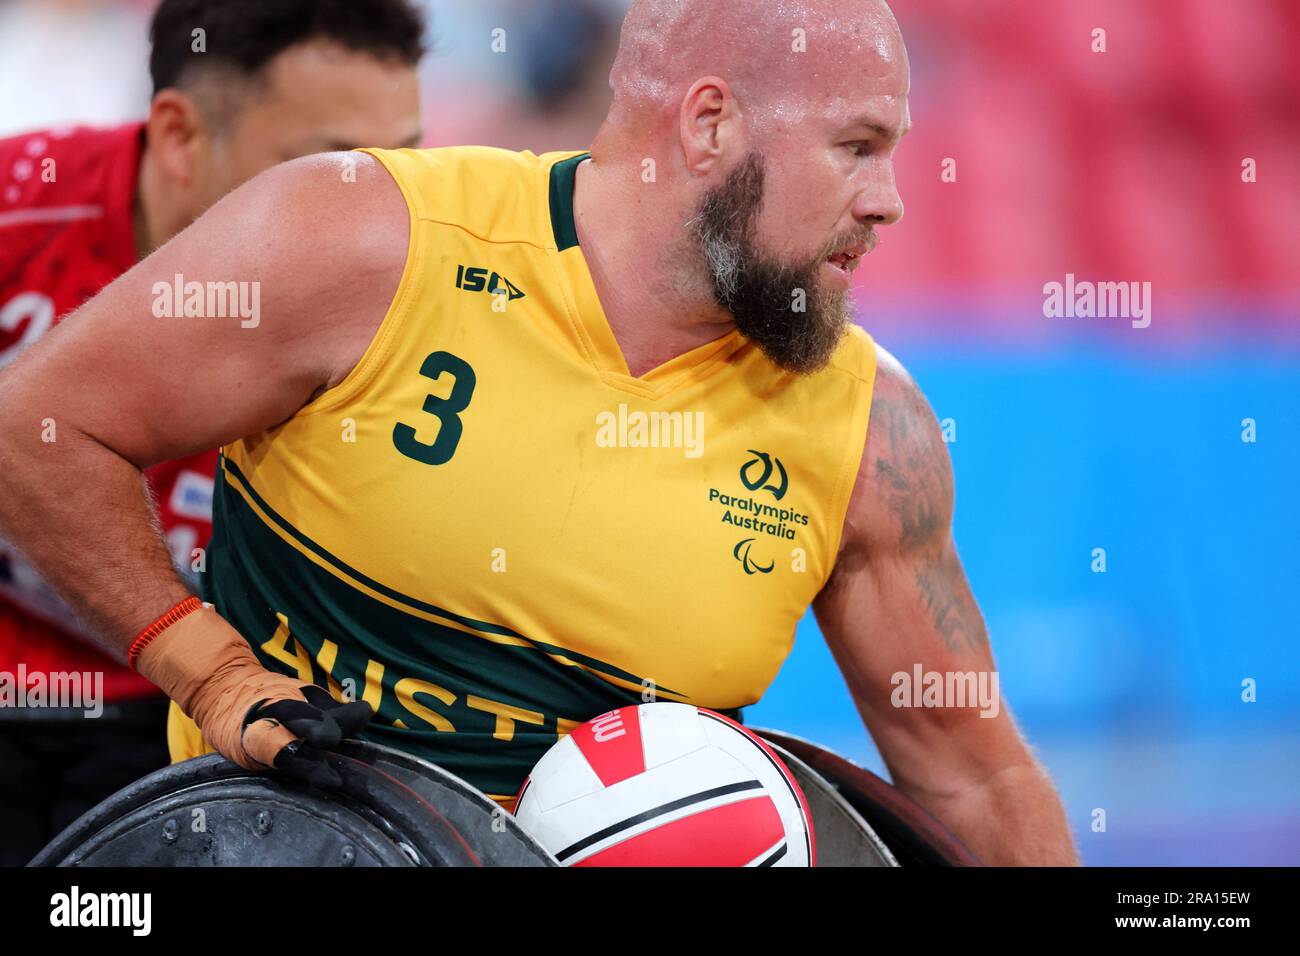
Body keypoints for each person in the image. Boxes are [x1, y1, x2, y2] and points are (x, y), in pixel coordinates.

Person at [0, 0, 1079, 865]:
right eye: (856, 147)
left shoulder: (871, 430)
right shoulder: (363, 239)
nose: (890, 201)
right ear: (710, 125)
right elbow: (34, 424)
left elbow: (972, 774)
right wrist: (213, 673)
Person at [0, 0, 425, 866]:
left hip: (204, 731)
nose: (383, 218)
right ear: (183, 136)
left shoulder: (424, 303)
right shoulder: (19, 214)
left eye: (408, 166)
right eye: (327, 169)